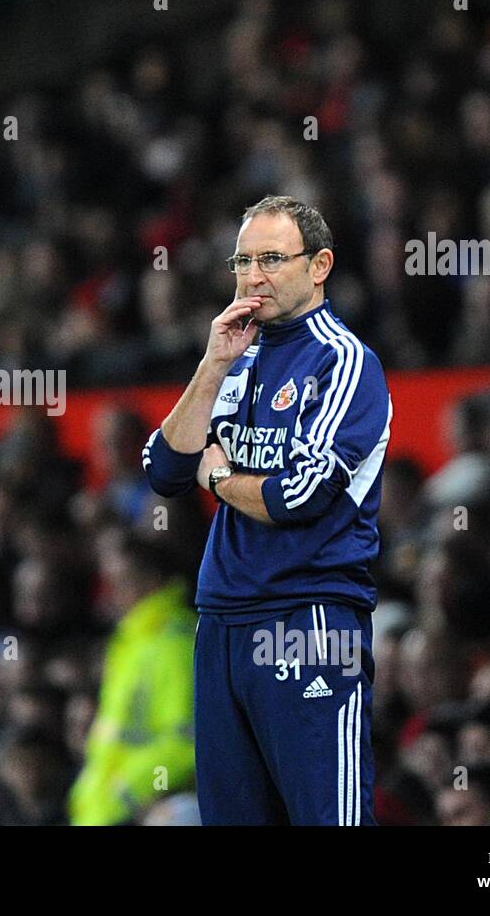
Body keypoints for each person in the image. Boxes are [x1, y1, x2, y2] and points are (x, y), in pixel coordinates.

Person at [143, 195, 391, 824]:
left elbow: (299, 496)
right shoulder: (236, 356)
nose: (253, 277)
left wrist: (220, 473)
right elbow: (164, 469)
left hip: (307, 619)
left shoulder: (344, 361)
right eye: (243, 261)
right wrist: (211, 363)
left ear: (320, 265)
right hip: (221, 620)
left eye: (273, 259)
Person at [68, 534, 195, 825]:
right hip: (107, 810)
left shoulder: (173, 645)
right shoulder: (130, 643)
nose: (110, 595)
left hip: (147, 807)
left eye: (119, 582)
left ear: (151, 580)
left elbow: (186, 743)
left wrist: (128, 793)